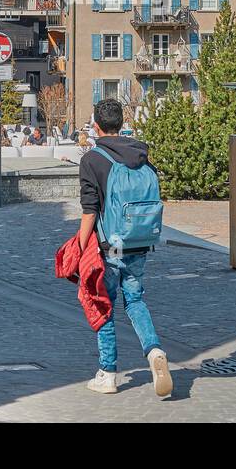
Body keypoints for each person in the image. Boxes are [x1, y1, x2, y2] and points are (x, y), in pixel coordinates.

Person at [77, 98, 172, 398]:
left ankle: (108, 373)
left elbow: (89, 210)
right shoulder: (141, 153)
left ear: (96, 126)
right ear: (120, 123)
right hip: (138, 241)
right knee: (135, 301)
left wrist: (81, 247)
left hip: (111, 247)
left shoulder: (92, 159)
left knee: (104, 304)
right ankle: (154, 349)